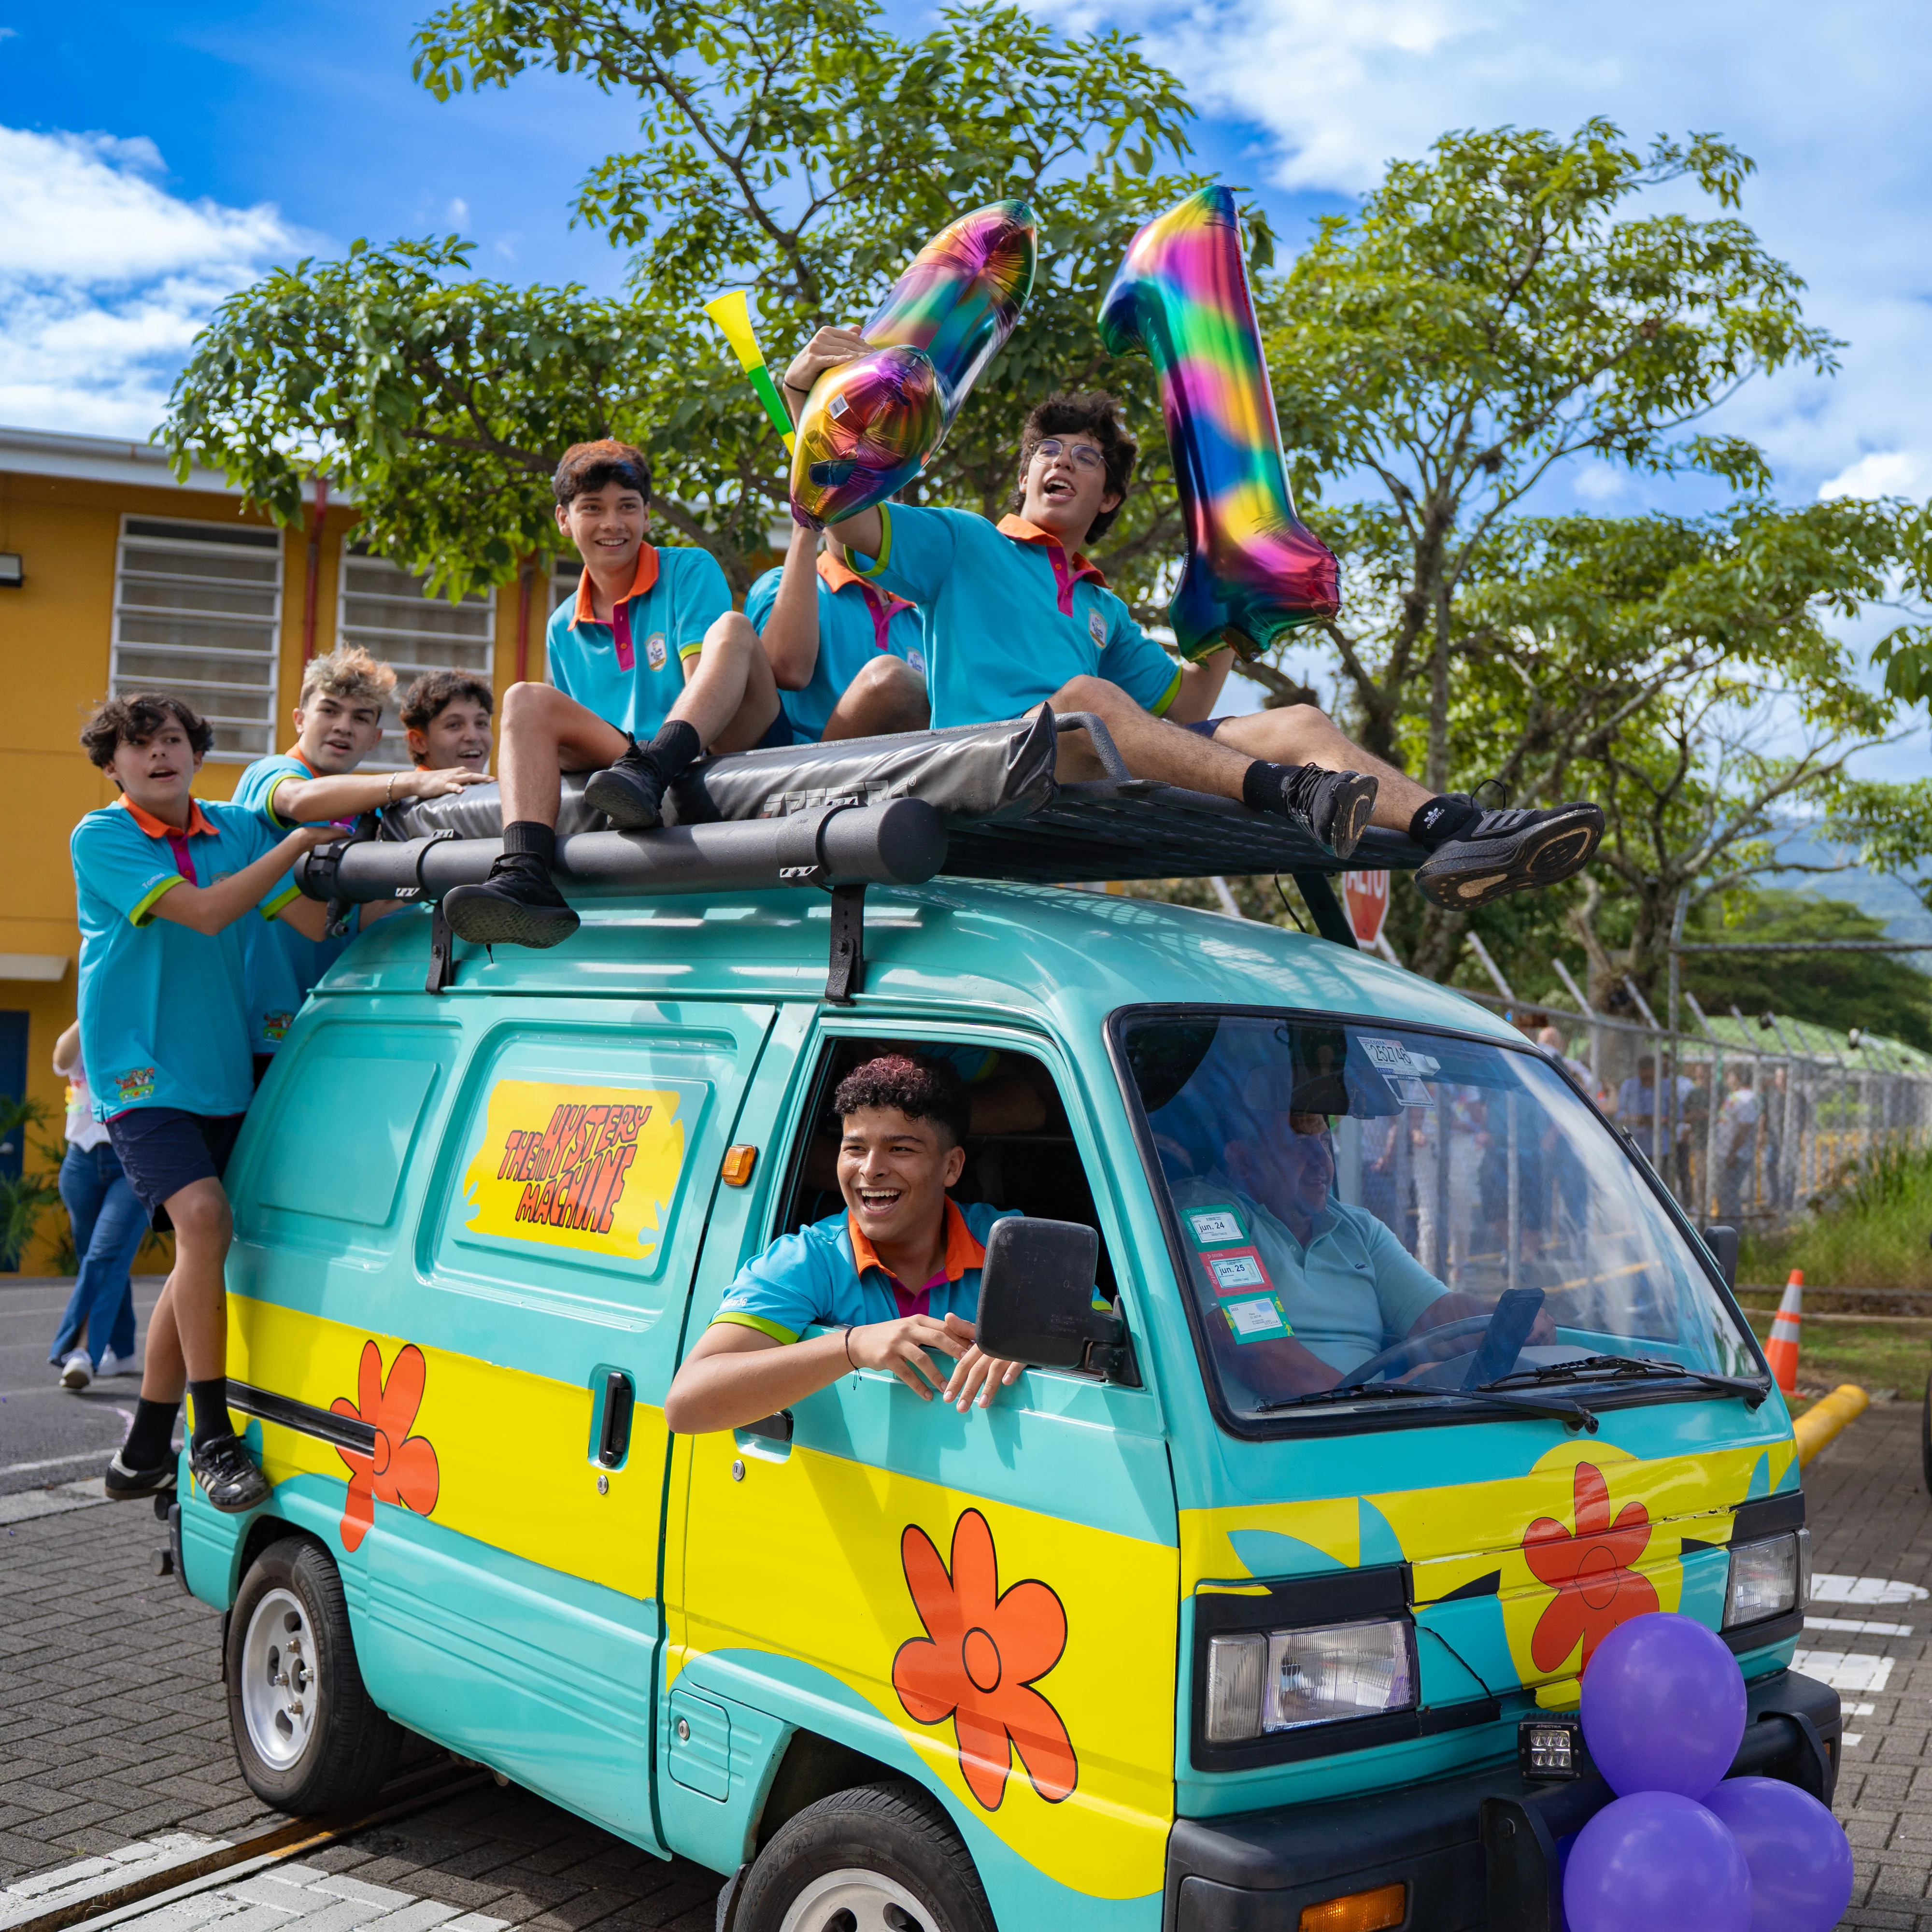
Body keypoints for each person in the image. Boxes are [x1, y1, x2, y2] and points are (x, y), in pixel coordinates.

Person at [782, 342, 1605, 908]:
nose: (1062, 461)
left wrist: (1233, 622)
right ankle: (1298, 795)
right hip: (985, 765)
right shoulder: (962, 542)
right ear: (1025, 473)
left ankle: (1456, 830)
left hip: (1079, 761)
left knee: (1296, 720)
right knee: (1088, 699)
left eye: (1088, 456)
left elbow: (1181, 712)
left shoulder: (1102, 609)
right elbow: (840, 507)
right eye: (1049, 451)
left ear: (1108, 501)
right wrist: (808, 403)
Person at [73, 694, 338, 1510]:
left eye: (173, 741)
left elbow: (312, 921)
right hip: (140, 1076)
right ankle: (211, 1436)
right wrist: (295, 841)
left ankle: (146, 1446)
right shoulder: (103, 835)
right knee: (205, 1224)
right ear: (111, 764)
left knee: (200, 1251)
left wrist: (409, 806)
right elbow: (208, 911)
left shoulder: (229, 827)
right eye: (137, 745)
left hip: (222, 1069)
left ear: (197, 752)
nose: (158, 755)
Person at [441, 440, 785, 947]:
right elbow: (585, 741)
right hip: (634, 771)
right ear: (564, 519)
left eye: (627, 506)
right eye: (592, 508)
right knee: (523, 699)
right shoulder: (563, 625)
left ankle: (652, 768)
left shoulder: (689, 568)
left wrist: (650, 765)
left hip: (719, 741)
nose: (612, 523)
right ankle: (523, 872)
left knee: (732, 629)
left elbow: (703, 686)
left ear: (647, 515)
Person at [665, 1054, 1025, 1433]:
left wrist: (1031, 1342)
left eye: (900, 1149)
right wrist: (852, 1346)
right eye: (854, 1149)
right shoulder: (806, 1259)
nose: (871, 1169)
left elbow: (1092, 1334)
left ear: (952, 1167)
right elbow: (686, 1406)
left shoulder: (1012, 1243)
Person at [1171, 1106, 1554, 1400]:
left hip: (1368, 1430)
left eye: (1324, 1143)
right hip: (1271, 1443)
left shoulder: (1358, 1228)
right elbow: (1258, 1351)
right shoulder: (1207, 1212)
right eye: (1299, 1145)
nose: (1323, 1161)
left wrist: (1507, 1320)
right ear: (1243, 1161)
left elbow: (1436, 1316)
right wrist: (1368, 1401)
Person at [232, 647, 488, 1067]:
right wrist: (407, 782)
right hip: (260, 1030)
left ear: (375, 737)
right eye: (329, 711)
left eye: (361, 717)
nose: (342, 727)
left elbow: (368, 917)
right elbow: (298, 802)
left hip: (336, 1022)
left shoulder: (370, 807)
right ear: (299, 719)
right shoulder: (271, 772)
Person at [749, 522, 930, 742]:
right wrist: (804, 533)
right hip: (807, 770)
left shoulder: (921, 616)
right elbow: (788, 670)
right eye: (848, 501)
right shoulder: (783, 583)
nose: (861, 513)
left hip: (906, 771)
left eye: (876, 500)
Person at [46, 1022, 147, 1390]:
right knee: (102, 1258)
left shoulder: (140, 1025)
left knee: (104, 1256)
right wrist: (90, 1005)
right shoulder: (86, 1028)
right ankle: (122, 1351)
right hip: (81, 1164)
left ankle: (81, 1352)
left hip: (130, 1161)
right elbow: (61, 1058)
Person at [401, 669, 495, 773]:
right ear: (419, 742)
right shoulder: (410, 789)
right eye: (454, 725)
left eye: (481, 723)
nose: (473, 737)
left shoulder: (491, 788)